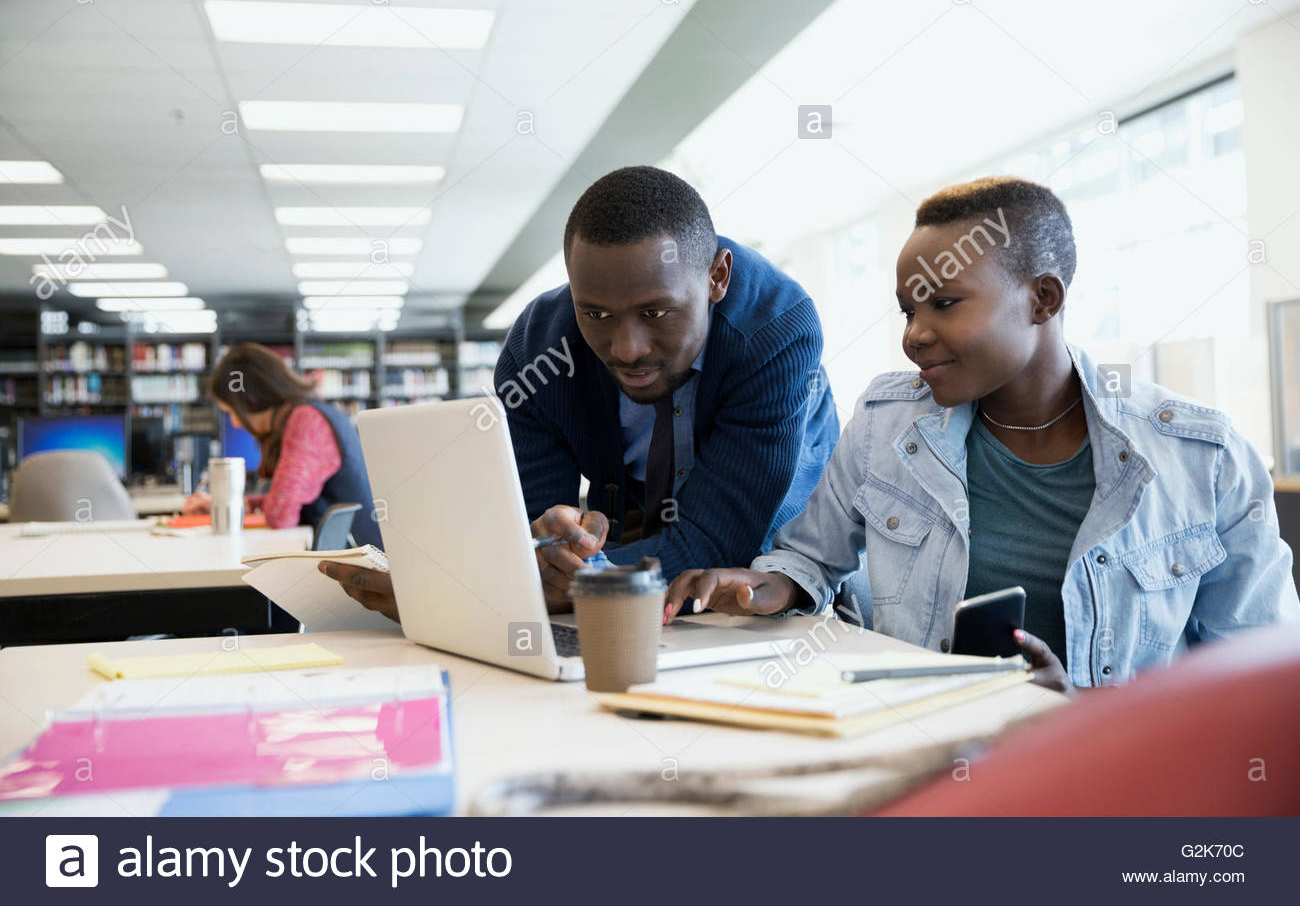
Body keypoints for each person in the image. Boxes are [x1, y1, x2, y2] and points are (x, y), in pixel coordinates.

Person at [665, 176, 1300, 692]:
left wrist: (1072, 713)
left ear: (1042, 299)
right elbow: (809, 558)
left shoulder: (1205, 459)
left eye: (943, 304)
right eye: (908, 309)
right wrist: (761, 587)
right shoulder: (886, 421)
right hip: (930, 758)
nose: (913, 333)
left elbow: (1260, 680)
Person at [321, 165, 837, 621]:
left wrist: (518, 589)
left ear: (716, 278)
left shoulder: (777, 332)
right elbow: (532, 529)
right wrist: (551, 547)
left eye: (655, 312)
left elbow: (716, 543)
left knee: (722, 600)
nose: (627, 348)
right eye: (596, 314)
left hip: (768, 568)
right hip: (648, 550)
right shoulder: (537, 350)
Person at [183, 342, 383, 548]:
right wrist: (237, 506)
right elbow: (296, 502)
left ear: (251, 398)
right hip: (349, 560)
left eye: (232, 411)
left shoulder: (307, 421)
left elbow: (281, 515)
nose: (234, 422)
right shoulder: (308, 413)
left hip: (361, 570)